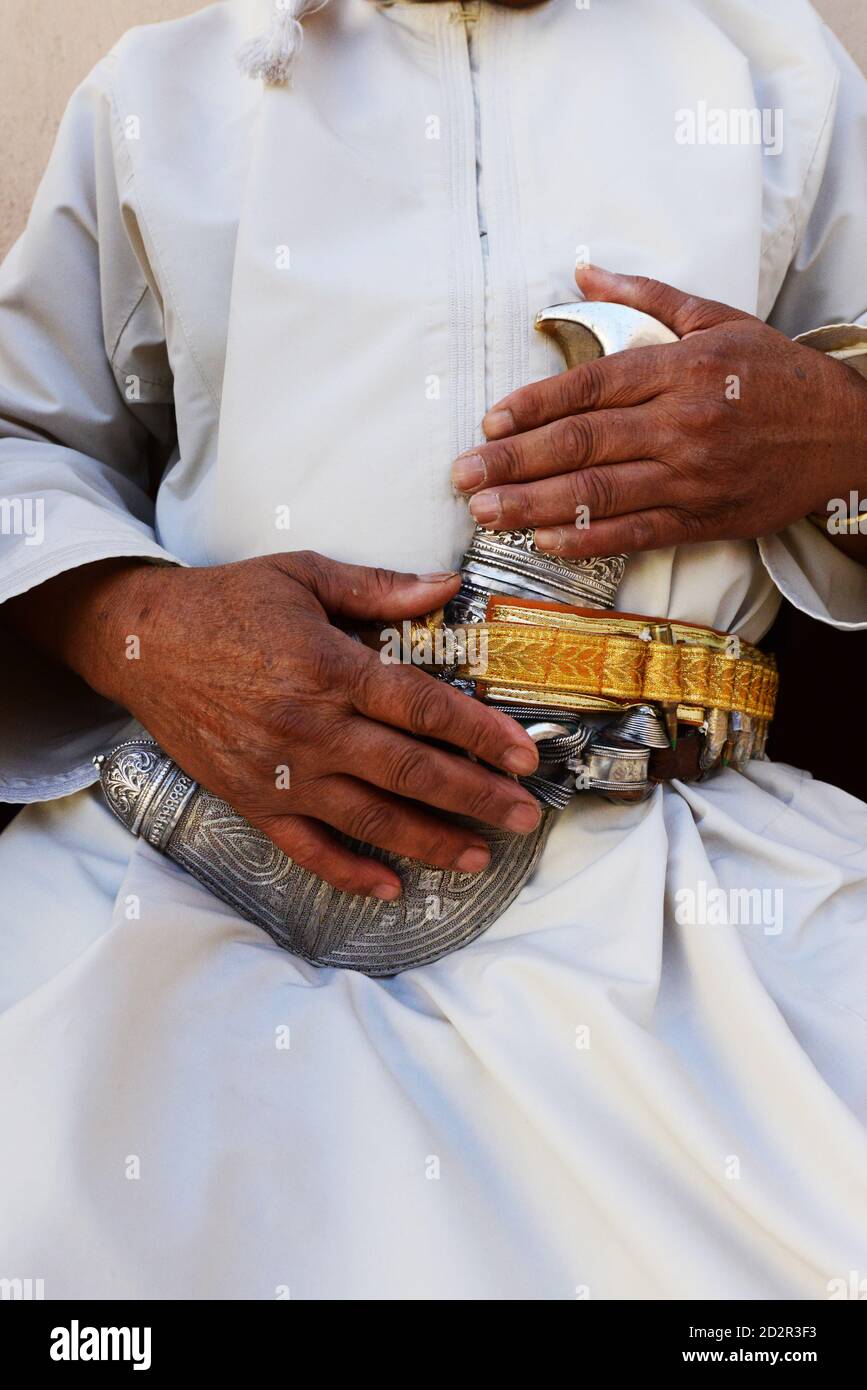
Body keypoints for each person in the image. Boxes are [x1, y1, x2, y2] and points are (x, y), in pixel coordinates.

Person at [1, 0, 866, 1299]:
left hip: (682, 887)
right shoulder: (161, 98)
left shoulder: (769, 67)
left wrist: (839, 437)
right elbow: (22, 442)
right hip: (198, 864)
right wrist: (133, 621)